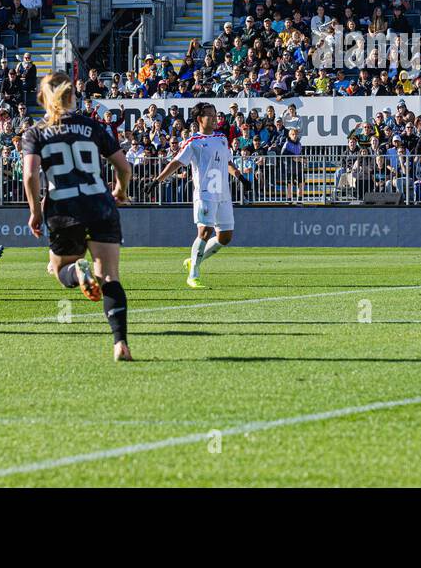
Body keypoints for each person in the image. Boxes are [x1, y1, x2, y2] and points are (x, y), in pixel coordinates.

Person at [23, 72, 134, 362]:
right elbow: (123, 167)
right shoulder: (93, 126)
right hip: (99, 203)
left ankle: (77, 272)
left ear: (42, 98)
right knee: (110, 276)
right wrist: (120, 191)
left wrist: (35, 211)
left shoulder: (35, 132)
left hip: (63, 208)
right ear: (73, 96)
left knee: (61, 272)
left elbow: (30, 175)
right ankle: (120, 343)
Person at [151, 102, 252, 289]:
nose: (214, 118)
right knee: (205, 232)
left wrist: (239, 176)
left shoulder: (222, 138)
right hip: (205, 194)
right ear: (200, 119)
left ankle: (193, 260)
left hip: (223, 193)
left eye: (215, 114)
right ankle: (193, 275)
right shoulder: (193, 141)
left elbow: (227, 161)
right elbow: (176, 163)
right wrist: (158, 180)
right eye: (209, 115)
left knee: (225, 237)